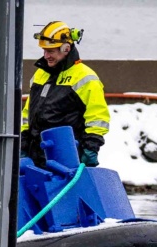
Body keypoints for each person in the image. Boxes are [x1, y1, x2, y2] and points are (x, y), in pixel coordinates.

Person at [21, 21, 109, 167]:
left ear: (66, 49)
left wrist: (91, 147)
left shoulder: (85, 77)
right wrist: (23, 139)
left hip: (67, 157)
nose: (46, 55)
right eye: (44, 51)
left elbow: (97, 116)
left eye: (51, 51)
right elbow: (28, 113)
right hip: (35, 155)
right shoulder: (40, 74)